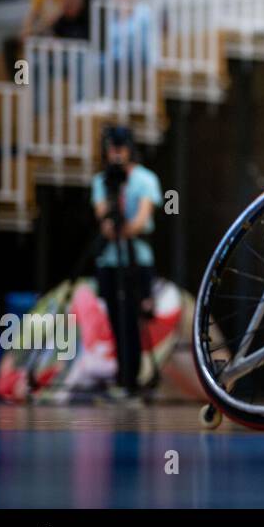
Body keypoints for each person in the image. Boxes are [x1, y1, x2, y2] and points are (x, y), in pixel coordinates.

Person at [90, 125, 162, 399]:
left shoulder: (145, 179)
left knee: (134, 318)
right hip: (110, 259)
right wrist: (113, 195)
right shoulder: (101, 181)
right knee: (115, 318)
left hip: (136, 259)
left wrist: (124, 227)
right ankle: (122, 376)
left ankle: (133, 379)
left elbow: (141, 221)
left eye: (121, 147)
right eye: (112, 147)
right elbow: (103, 220)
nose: (117, 153)